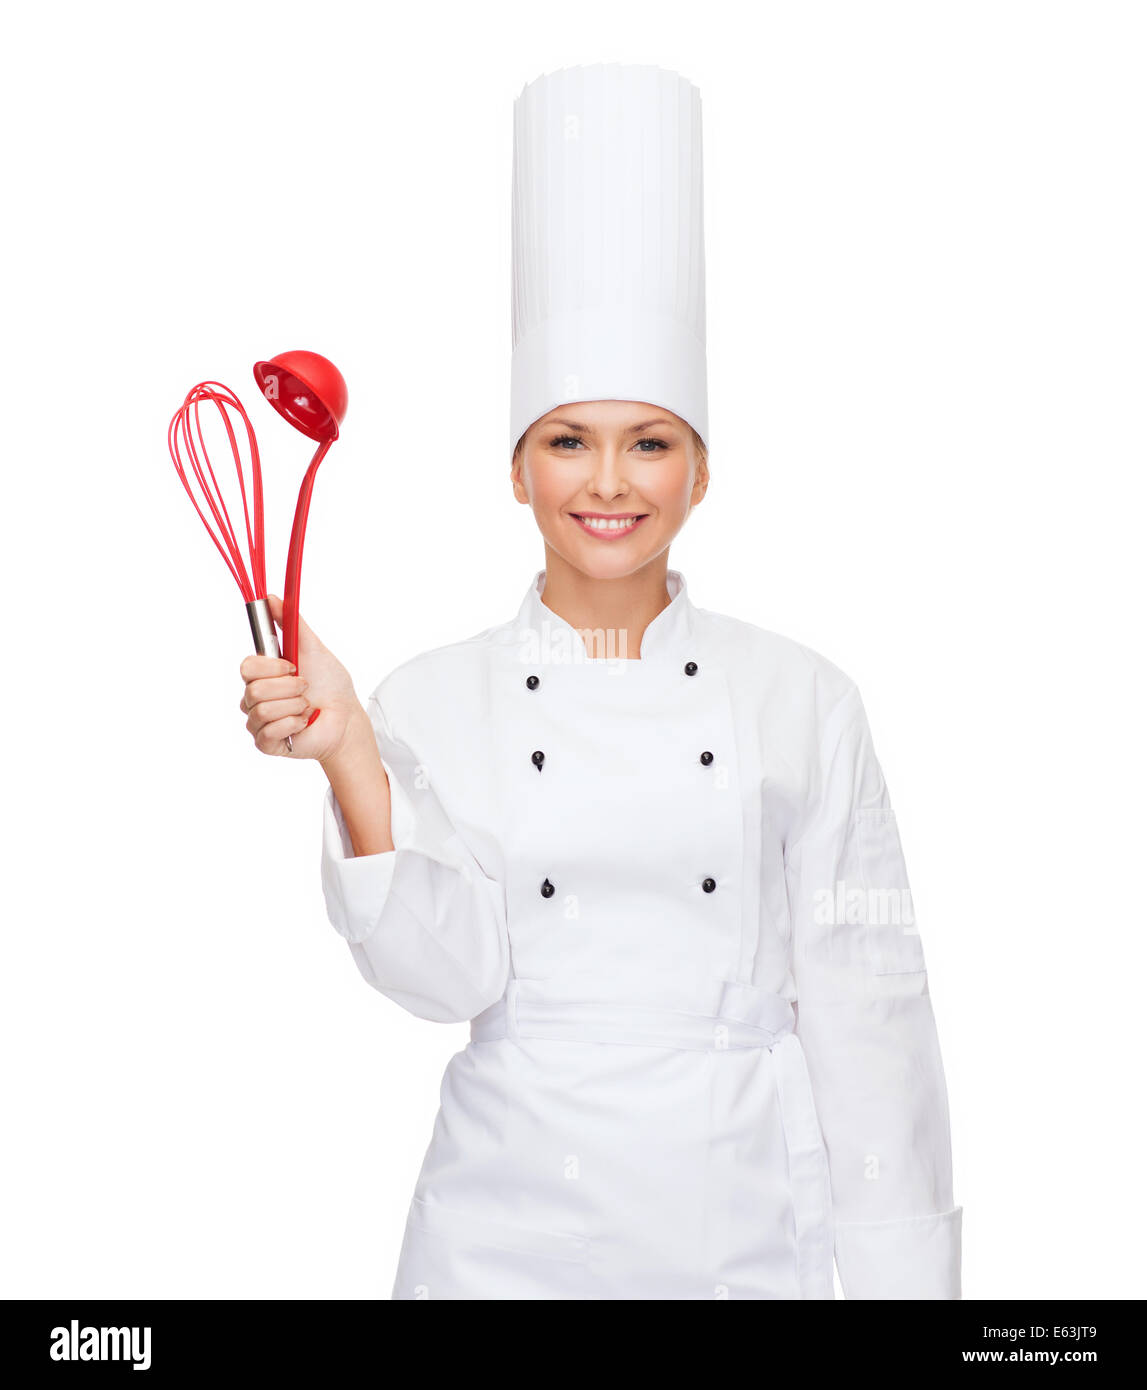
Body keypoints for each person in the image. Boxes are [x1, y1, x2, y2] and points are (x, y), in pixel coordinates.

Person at [238, 63, 961, 1300]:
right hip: (501, 1229)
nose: (610, 483)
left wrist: (909, 1290)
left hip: (739, 1228)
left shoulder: (805, 700)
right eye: (568, 440)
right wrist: (351, 748)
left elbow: (870, 1009)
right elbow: (443, 978)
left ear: (701, 470)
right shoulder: (431, 697)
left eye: (652, 443)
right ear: (516, 471)